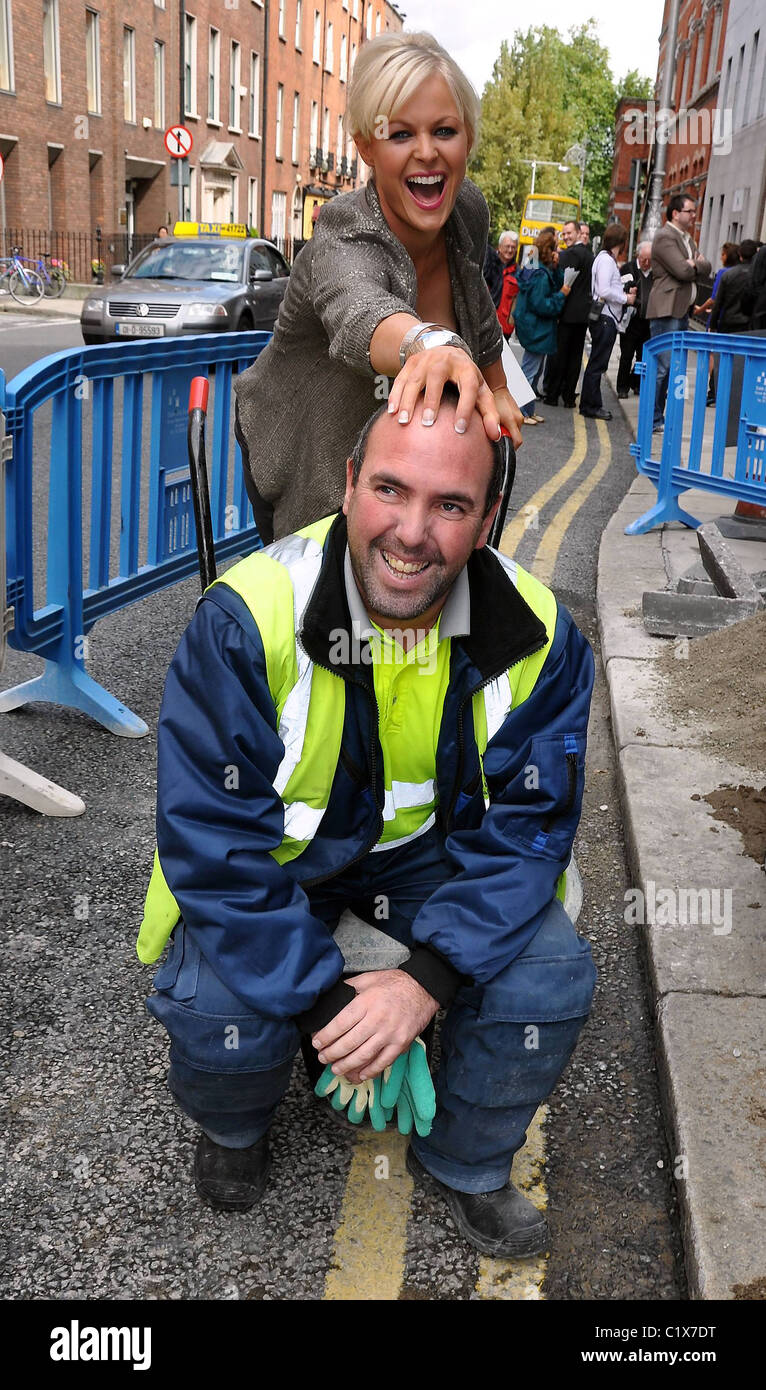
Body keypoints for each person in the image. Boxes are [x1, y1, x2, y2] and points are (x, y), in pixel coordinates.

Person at [138, 386, 596, 1257]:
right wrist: (326, 1005)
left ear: (490, 513)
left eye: (451, 504)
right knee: (217, 1010)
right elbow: (213, 841)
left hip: (428, 862)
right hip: (284, 866)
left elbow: (534, 828)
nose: (413, 533)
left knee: (550, 979)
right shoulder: (247, 618)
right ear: (347, 484)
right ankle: (235, 1126)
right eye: (390, 489)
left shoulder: (543, 636)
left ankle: (464, 1161)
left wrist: (424, 981)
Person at [233, 30, 523, 543]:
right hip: (312, 451)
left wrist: (498, 386)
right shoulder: (344, 231)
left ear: (469, 138)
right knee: (324, 593)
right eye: (401, 134)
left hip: (402, 466)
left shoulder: (467, 210)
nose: (427, 152)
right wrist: (429, 344)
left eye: (445, 130)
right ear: (366, 147)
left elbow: (474, 302)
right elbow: (358, 309)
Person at [646, 194, 712, 432]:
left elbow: (707, 267)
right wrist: (692, 263)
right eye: (690, 211)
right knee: (663, 367)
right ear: (675, 213)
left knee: (673, 367)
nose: (694, 215)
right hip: (667, 310)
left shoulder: (686, 239)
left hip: (681, 310)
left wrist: (695, 264)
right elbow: (682, 271)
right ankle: (651, 418)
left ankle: (658, 417)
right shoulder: (665, 236)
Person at [513, 228, 571, 425]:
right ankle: (520, 412)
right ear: (549, 249)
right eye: (556, 248)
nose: (558, 252)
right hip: (536, 327)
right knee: (529, 371)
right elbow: (541, 304)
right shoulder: (539, 273)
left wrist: (555, 268)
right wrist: (561, 294)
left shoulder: (537, 267)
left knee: (534, 371)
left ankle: (528, 411)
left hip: (533, 326)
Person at [579, 223, 636, 420]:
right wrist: (625, 299)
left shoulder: (605, 260)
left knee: (596, 363)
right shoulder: (606, 261)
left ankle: (590, 404)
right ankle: (591, 406)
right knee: (597, 364)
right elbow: (603, 290)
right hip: (605, 319)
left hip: (604, 318)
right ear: (620, 242)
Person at [541, 219, 593, 407]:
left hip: (567, 313)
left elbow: (560, 282)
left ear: (579, 233)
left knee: (560, 356)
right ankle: (569, 397)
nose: (566, 236)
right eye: (564, 234)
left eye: (569, 233)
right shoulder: (590, 256)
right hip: (583, 314)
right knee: (575, 357)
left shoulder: (569, 255)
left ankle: (553, 395)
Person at [615, 241, 652, 398]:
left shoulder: (655, 272)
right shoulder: (627, 268)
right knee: (626, 355)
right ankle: (622, 387)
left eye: (650, 260)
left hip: (648, 320)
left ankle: (637, 383)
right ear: (638, 255)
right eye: (644, 259)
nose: (646, 263)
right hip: (630, 321)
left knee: (643, 356)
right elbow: (620, 289)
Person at [709, 239, 758, 333]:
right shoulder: (758, 276)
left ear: (740, 255)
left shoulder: (728, 275)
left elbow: (718, 303)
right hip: (750, 324)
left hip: (729, 321)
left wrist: (713, 325)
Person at [496, 231, 520, 340]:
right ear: (499, 247)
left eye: (513, 247)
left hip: (504, 328)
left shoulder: (519, 273)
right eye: (507, 246)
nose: (510, 250)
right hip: (483, 323)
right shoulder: (486, 266)